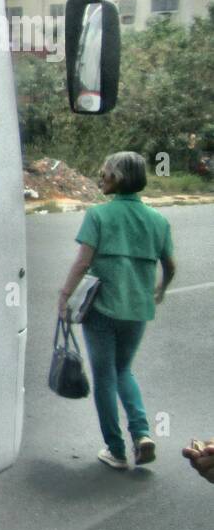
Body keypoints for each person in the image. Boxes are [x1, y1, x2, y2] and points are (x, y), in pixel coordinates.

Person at [57, 152, 176, 470]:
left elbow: (83, 262)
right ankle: (142, 434)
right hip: (137, 309)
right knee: (123, 369)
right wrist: (161, 289)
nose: (101, 178)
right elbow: (170, 265)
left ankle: (116, 449)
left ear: (118, 179)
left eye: (106, 173)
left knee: (105, 378)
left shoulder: (98, 215)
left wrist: (65, 296)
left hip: (102, 310)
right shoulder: (158, 220)